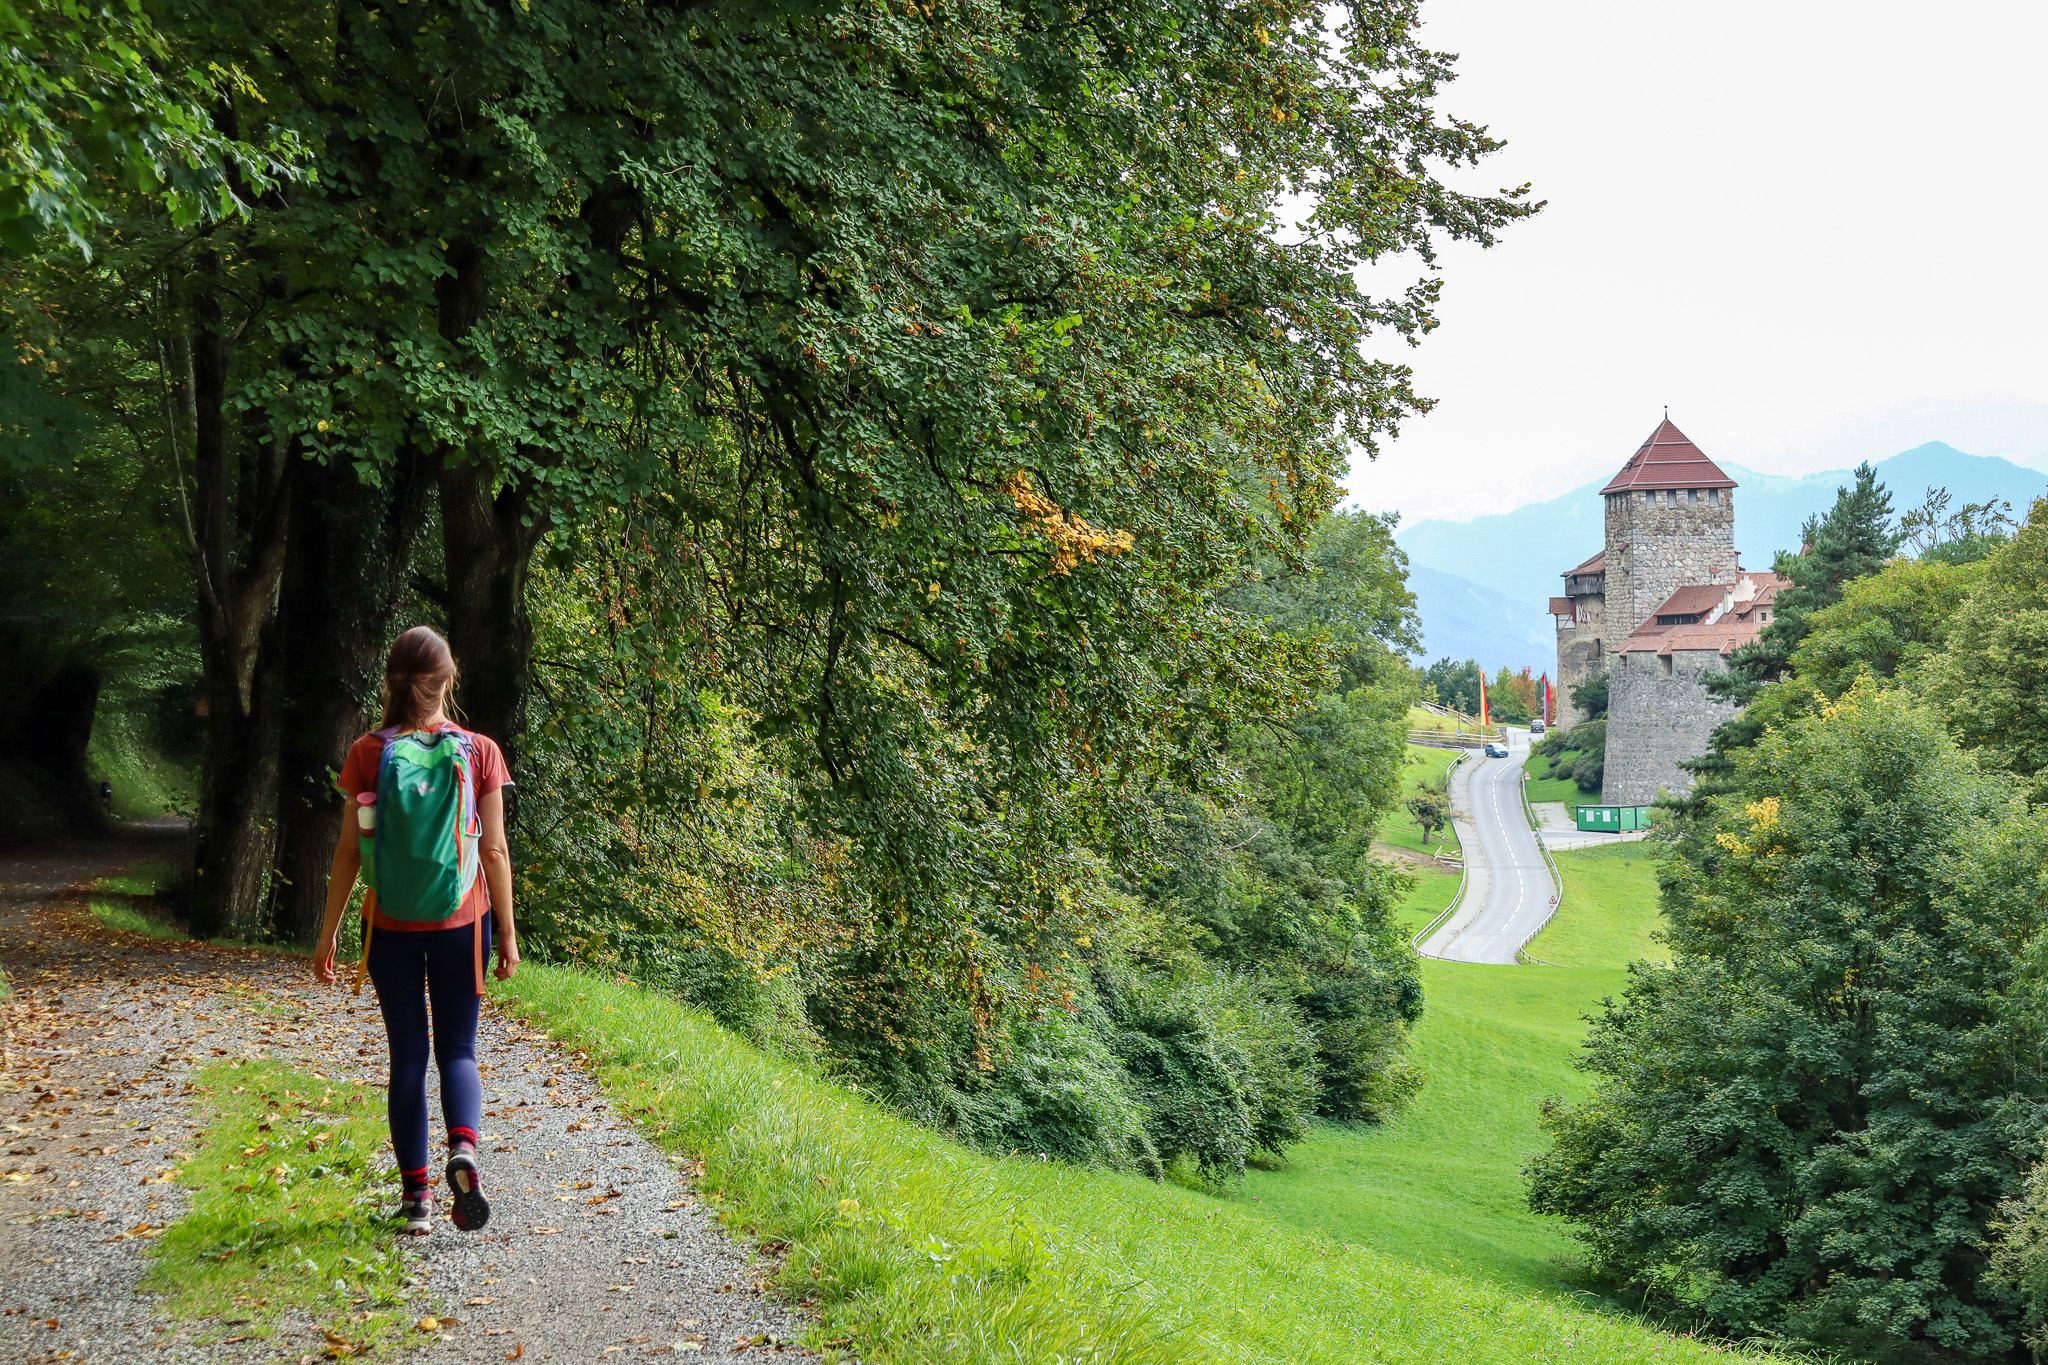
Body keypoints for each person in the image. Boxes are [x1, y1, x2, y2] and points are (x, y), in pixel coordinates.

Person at [312, 626, 520, 1236]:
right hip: (464, 921)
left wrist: (327, 935)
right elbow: (497, 851)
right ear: (447, 678)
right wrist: (506, 933)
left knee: (408, 1056)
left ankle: (418, 1202)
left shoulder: (367, 752)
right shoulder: (479, 750)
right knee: (458, 1049)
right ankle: (464, 1147)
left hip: (390, 926)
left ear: (391, 682)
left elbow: (349, 853)